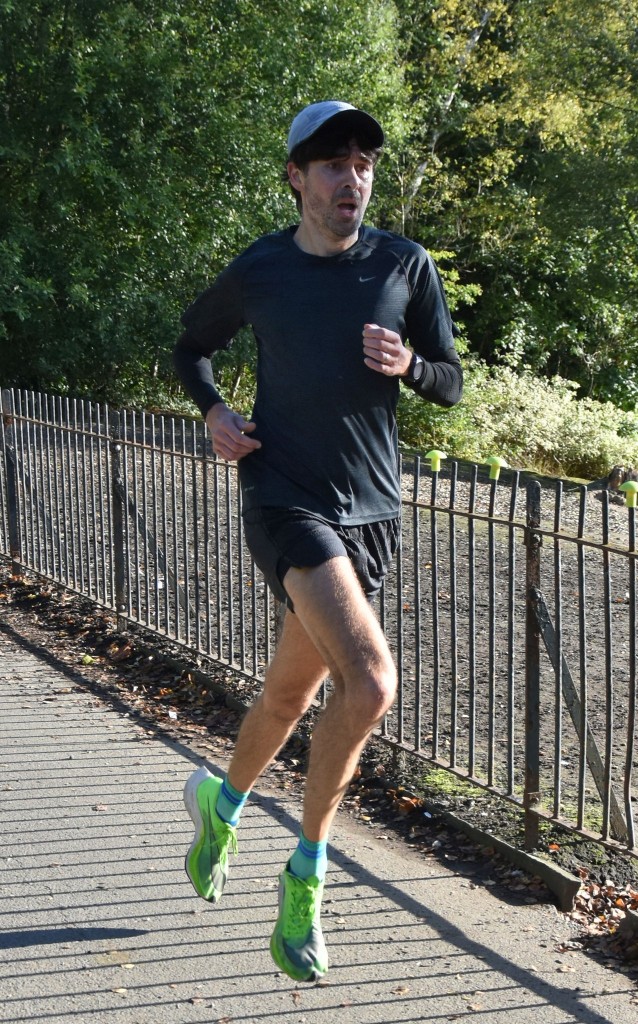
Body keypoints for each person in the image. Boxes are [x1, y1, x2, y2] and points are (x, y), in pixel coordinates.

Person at [173, 100, 463, 983]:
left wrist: (409, 366)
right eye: (332, 163)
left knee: (288, 700)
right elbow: (190, 349)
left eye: (364, 162)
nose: (353, 178)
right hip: (285, 499)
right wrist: (216, 411)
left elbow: (450, 382)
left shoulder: (404, 264)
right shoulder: (260, 269)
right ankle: (307, 872)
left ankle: (219, 805)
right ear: (297, 178)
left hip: (373, 512)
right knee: (371, 681)